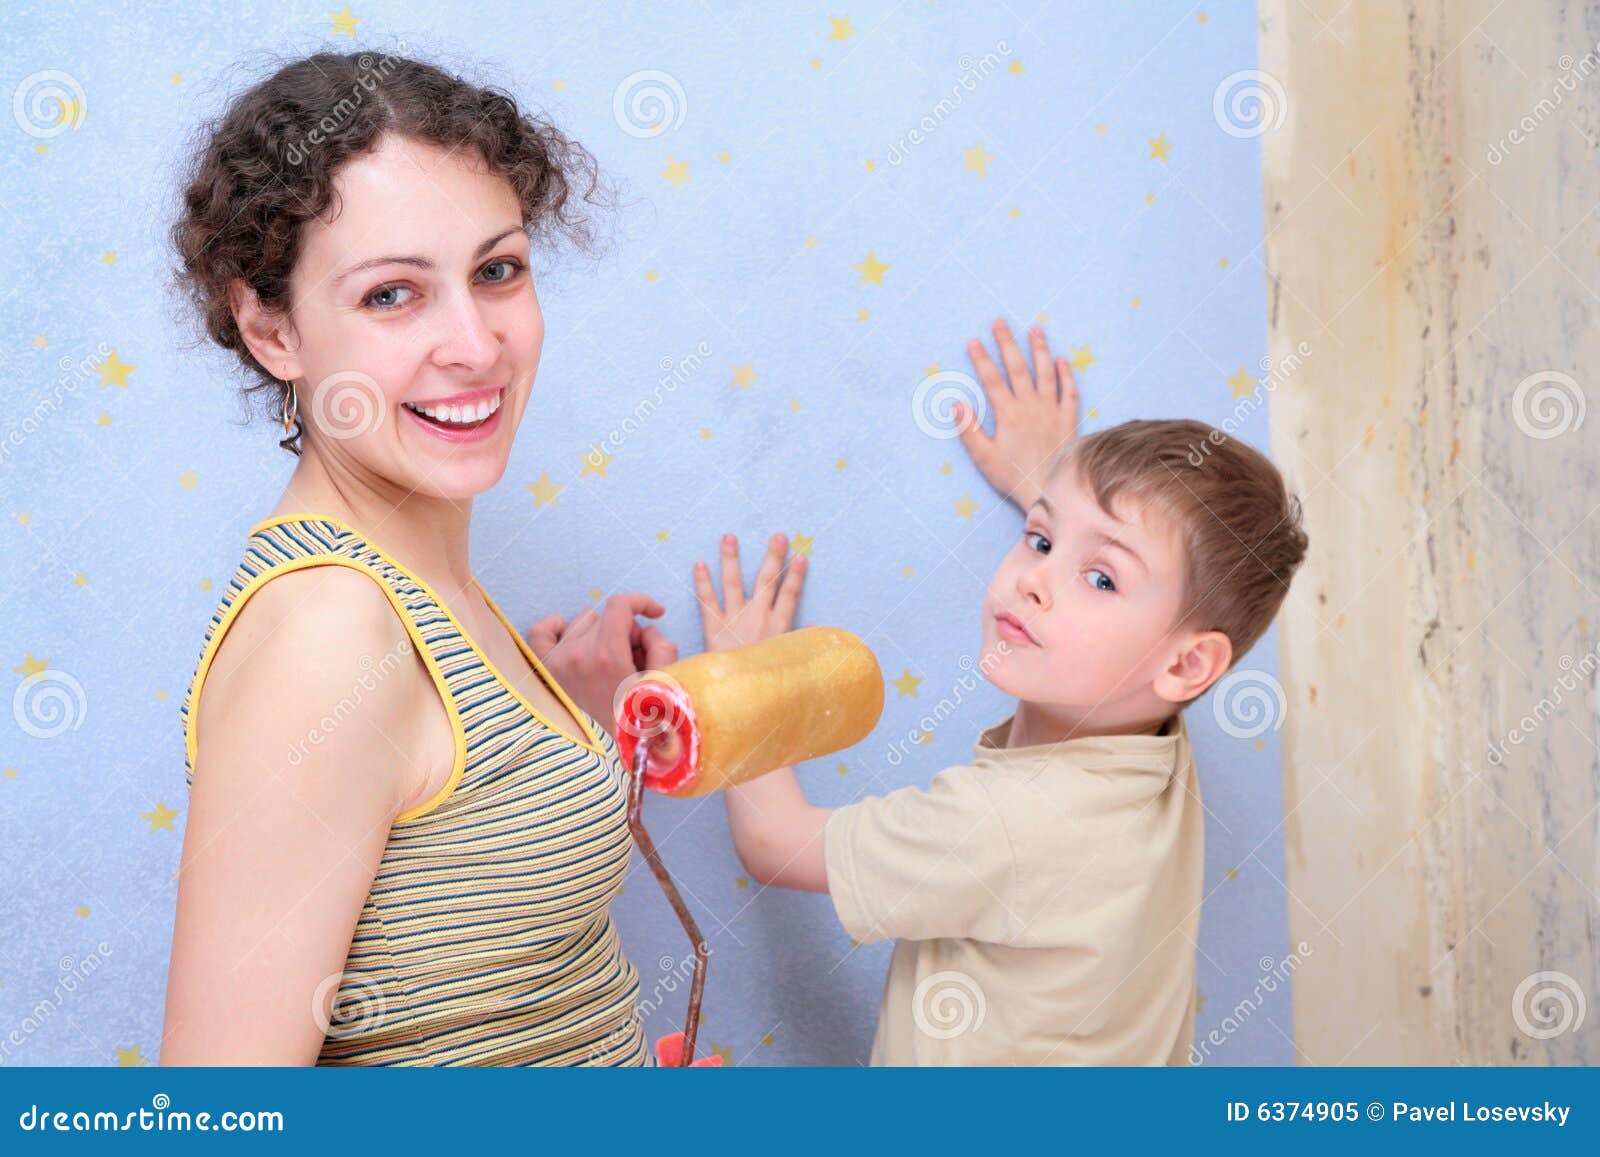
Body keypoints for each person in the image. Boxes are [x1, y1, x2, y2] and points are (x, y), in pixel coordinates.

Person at [161, 50, 713, 1066]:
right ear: (271, 328)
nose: (475, 344)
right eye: (391, 295)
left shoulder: (431, 582)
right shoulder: (329, 633)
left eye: (497, 271)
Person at [696, 320, 1310, 1064]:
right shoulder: (1153, 755)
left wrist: (746, 677)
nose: (1034, 581)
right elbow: (1118, 618)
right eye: (1042, 540)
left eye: (1101, 578)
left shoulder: (1007, 823)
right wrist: (1058, 486)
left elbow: (775, 842)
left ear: (1186, 667)